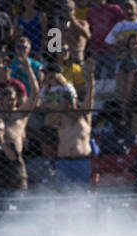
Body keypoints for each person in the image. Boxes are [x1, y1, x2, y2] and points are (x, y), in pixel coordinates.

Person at [46, 58, 97, 189]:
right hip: (64, 162)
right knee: (63, 194)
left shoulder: (84, 115)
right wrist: (61, 109)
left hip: (82, 161)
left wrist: (90, 76)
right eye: (66, 99)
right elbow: (48, 123)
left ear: (75, 99)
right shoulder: (60, 116)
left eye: (70, 99)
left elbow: (90, 95)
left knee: (84, 193)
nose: (69, 103)